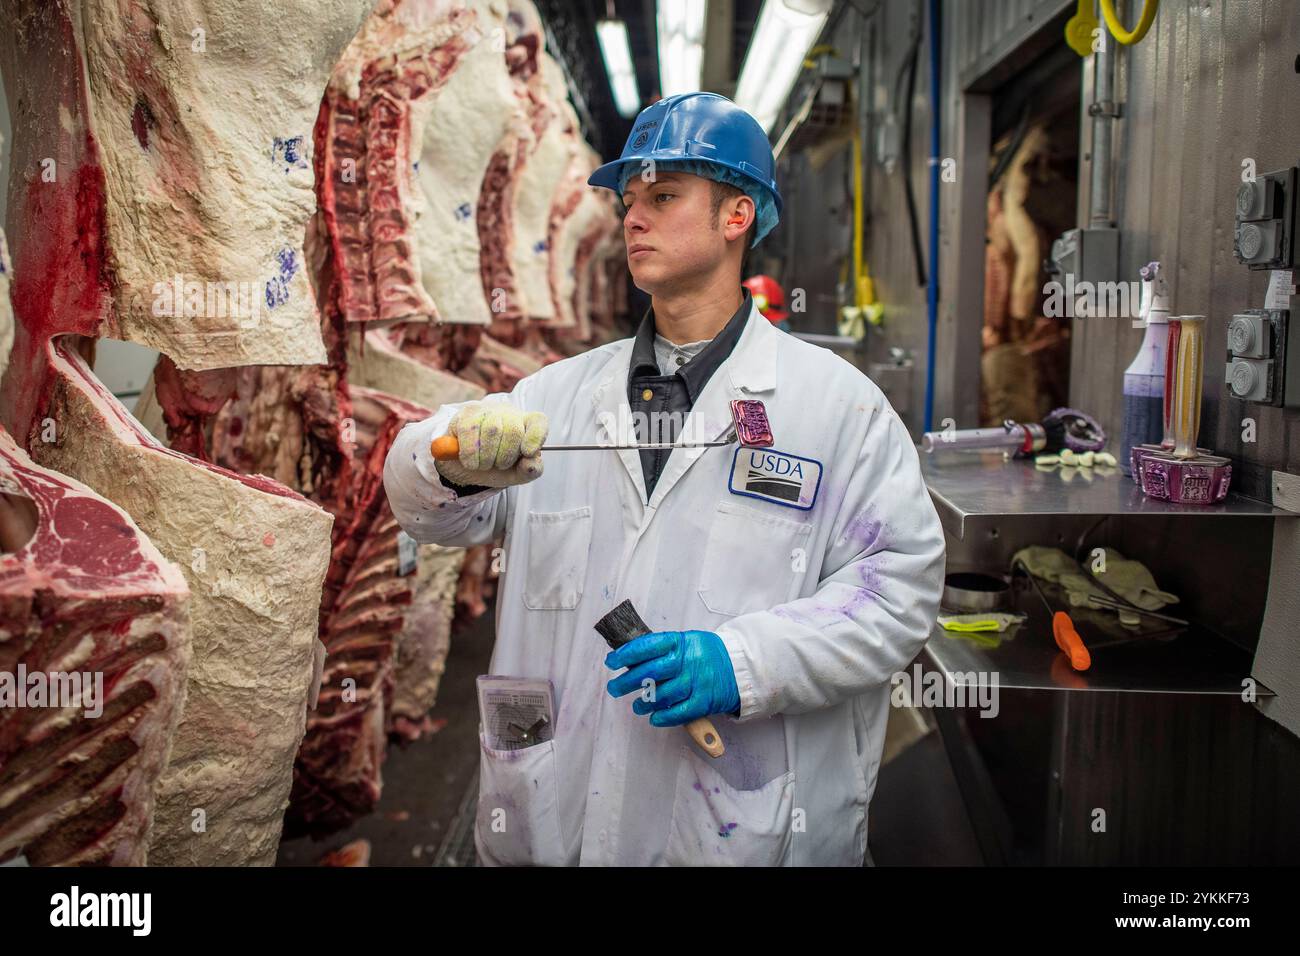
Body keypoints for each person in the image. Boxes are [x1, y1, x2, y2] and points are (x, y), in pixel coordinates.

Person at [383, 92, 945, 866]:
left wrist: (743, 662)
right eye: (630, 201)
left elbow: (898, 591)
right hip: (557, 815)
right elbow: (429, 517)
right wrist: (442, 459)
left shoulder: (836, 406)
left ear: (736, 216)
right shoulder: (557, 395)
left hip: (739, 820)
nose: (632, 219)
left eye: (664, 196)